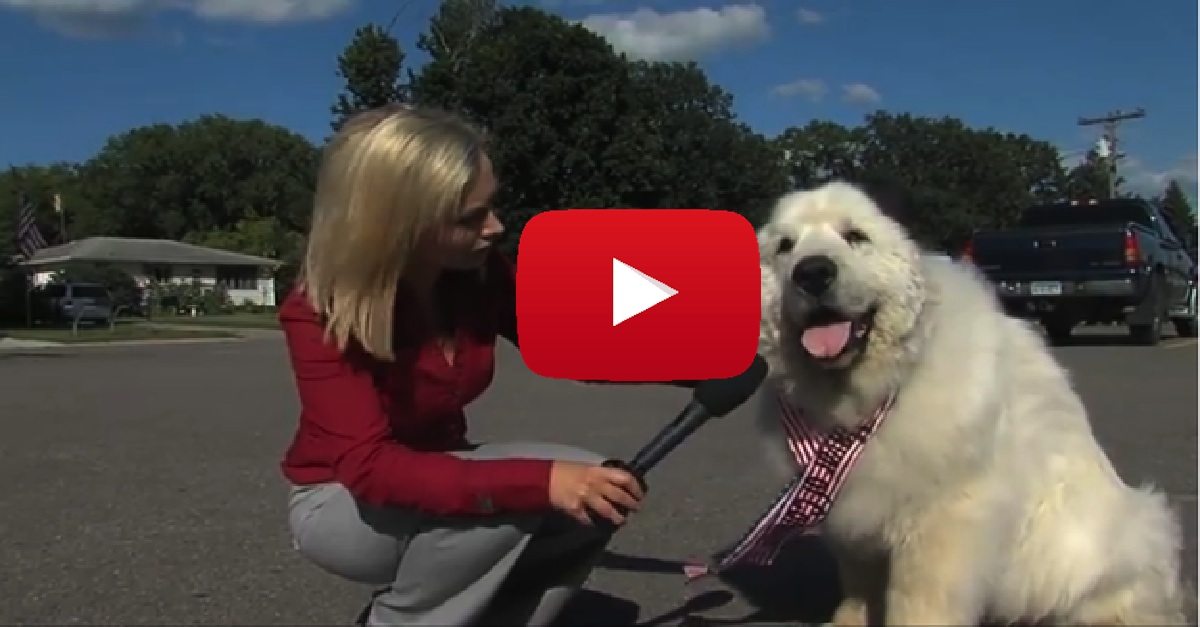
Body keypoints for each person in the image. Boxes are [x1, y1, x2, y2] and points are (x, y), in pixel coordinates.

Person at [280, 104, 671, 627]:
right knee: (514, 498)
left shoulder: (478, 277)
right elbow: (372, 469)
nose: (496, 227)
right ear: (399, 225)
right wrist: (542, 482)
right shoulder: (319, 312)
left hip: (436, 471)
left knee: (597, 491)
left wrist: (704, 364)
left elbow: (575, 342)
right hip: (342, 504)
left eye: (492, 206)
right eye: (469, 218)